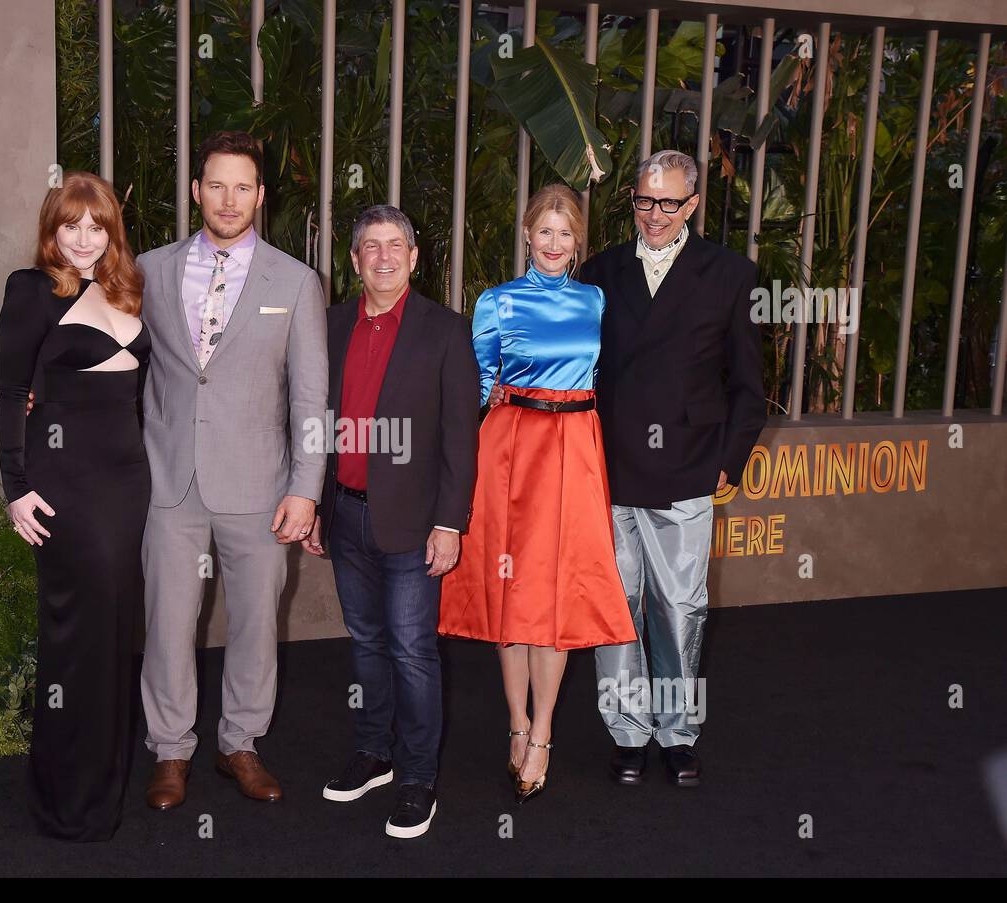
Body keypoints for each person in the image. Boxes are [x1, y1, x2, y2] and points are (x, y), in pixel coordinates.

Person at [135, 131, 327, 809]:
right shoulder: (147, 270)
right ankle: (170, 749)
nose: (228, 199)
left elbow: (309, 397)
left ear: (260, 195)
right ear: (196, 191)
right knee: (168, 622)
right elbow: (110, 355)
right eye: (216, 184)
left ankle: (240, 741)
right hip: (169, 482)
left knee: (255, 622)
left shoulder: (297, 282)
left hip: (261, 487)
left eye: (242, 186)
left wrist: (306, 489)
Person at [439, 184, 636, 804]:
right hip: (512, 450)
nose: (554, 243)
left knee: (555, 592)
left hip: (575, 448)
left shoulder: (597, 301)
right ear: (527, 234)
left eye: (566, 233)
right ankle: (516, 723)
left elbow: (614, 374)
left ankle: (544, 729)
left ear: (579, 242)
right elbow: (474, 387)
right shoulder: (495, 303)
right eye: (544, 231)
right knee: (512, 589)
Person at [583, 149, 766, 788]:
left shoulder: (729, 273)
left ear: (692, 205)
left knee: (681, 609)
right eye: (643, 200)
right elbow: (579, 369)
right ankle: (626, 732)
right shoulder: (600, 270)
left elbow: (748, 383)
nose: (654, 214)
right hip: (610, 467)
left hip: (688, 468)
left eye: (667, 202)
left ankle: (678, 733)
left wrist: (729, 459)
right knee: (616, 607)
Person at [303, 205, 478, 839]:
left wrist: (450, 523)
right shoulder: (330, 325)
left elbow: (461, 437)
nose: (382, 256)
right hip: (345, 512)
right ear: (354, 261)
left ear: (413, 257)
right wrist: (319, 503)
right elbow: (317, 419)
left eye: (394, 245)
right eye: (369, 247)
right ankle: (374, 752)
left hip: (413, 522)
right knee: (369, 643)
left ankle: (415, 778)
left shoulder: (445, 331)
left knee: (412, 651)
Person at [0, 171, 149, 841]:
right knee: (76, 636)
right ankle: (65, 798)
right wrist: (16, 487)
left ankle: (103, 790)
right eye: (71, 225)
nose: (84, 238)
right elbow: (7, 394)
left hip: (127, 480)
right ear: (52, 230)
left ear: (112, 231)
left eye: (97, 226)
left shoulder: (127, 289)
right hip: (65, 482)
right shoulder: (31, 291)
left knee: (116, 633)